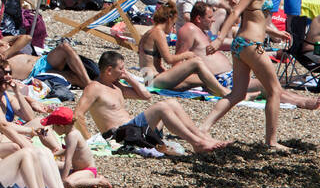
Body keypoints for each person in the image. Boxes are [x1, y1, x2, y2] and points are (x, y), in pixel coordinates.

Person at [199, 0, 320, 150]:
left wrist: (274, 32)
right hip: (250, 45)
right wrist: (219, 39)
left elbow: (255, 17)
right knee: (274, 91)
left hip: (244, 44)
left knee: (237, 94)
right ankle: (271, 141)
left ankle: (203, 128)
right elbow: (237, 11)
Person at [74, 51, 229, 155]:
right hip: (118, 135)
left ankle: (202, 138)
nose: (123, 71)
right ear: (108, 70)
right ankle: (197, 142)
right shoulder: (94, 87)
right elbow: (78, 113)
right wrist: (87, 141)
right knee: (162, 106)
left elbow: (146, 96)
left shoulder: (116, 86)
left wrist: (129, 78)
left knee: (172, 102)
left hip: (133, 131)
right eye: (121, 69)